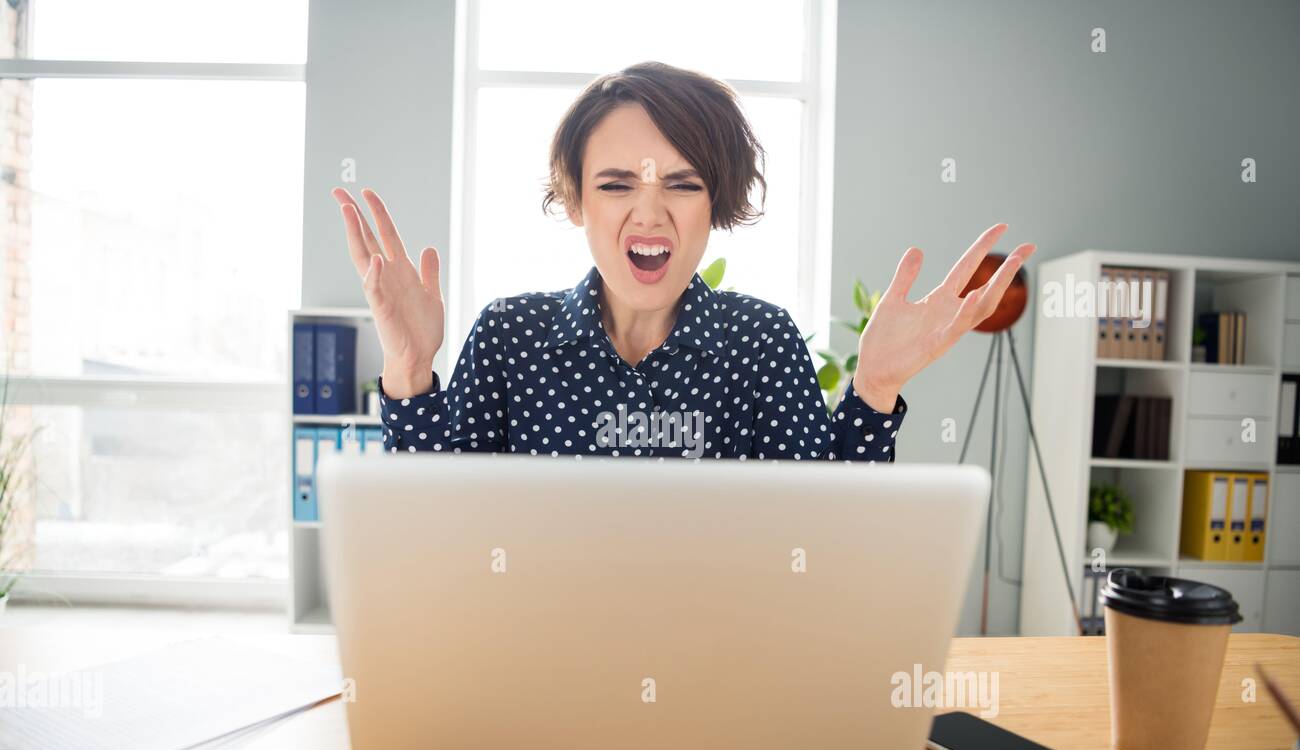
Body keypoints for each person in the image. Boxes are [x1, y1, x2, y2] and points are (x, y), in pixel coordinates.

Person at [332, 61, 1034, 460]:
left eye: (683, 184)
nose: (649, 213)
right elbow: (437, 527)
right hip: (535, 665)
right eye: (615, 185)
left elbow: (828, 537)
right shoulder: (510, 337)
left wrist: (875, 388)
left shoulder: (763, 344)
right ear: (576, 201)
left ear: (715, 202)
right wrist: (411, 374)